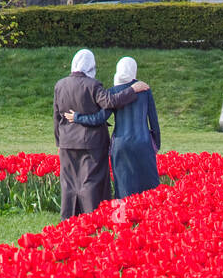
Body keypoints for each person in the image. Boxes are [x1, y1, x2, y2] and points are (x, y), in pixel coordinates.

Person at [54, 49, 150, 221]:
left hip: (67, 141)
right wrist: (132, 90)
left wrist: (59, 141)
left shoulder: (60, 85)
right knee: (91, 181)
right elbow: (110, 102)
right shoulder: (93, 85)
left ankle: (69, 219)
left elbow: (57, 116)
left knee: (68, 183)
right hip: (91, 142)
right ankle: (93, 218)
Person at [63, 56, 161, 199]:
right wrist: (156, 143)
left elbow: (99, 118)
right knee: (150, 188)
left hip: (121, 145)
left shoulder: (113, 92)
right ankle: (152, 219)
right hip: (143, 143)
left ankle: (123, 219)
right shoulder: (144, 90)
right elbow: (154, 121)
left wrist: (77, 117)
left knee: (123, 189)